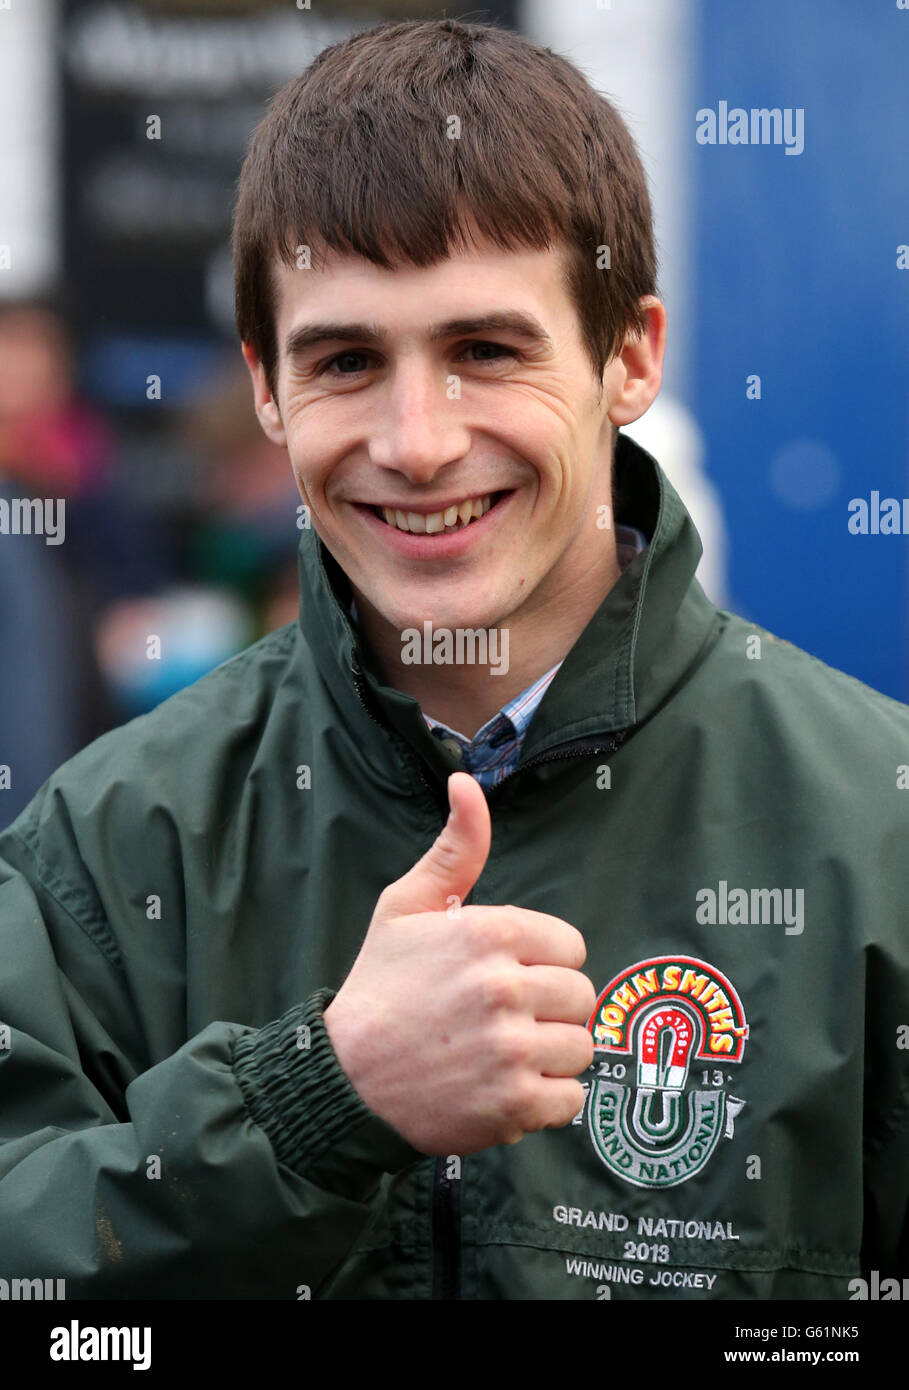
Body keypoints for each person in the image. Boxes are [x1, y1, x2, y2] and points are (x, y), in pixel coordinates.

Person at [0, 17, 905, 1302]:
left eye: (486, 350)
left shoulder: (880, 833)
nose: (417, 442)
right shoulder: (104, 846)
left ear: (630, 355)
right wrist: (315, 1104)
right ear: (267, 389)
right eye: (348, 361)